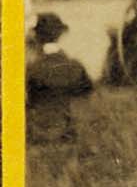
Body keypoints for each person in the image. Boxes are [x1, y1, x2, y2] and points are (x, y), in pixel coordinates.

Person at [27, 13, 92, 145]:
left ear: (37, 38)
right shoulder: (75, 66)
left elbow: (29, 99)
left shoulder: (32, 69)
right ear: (60, 35)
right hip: (65, 131)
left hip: (36, 133)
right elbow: (86, 94)